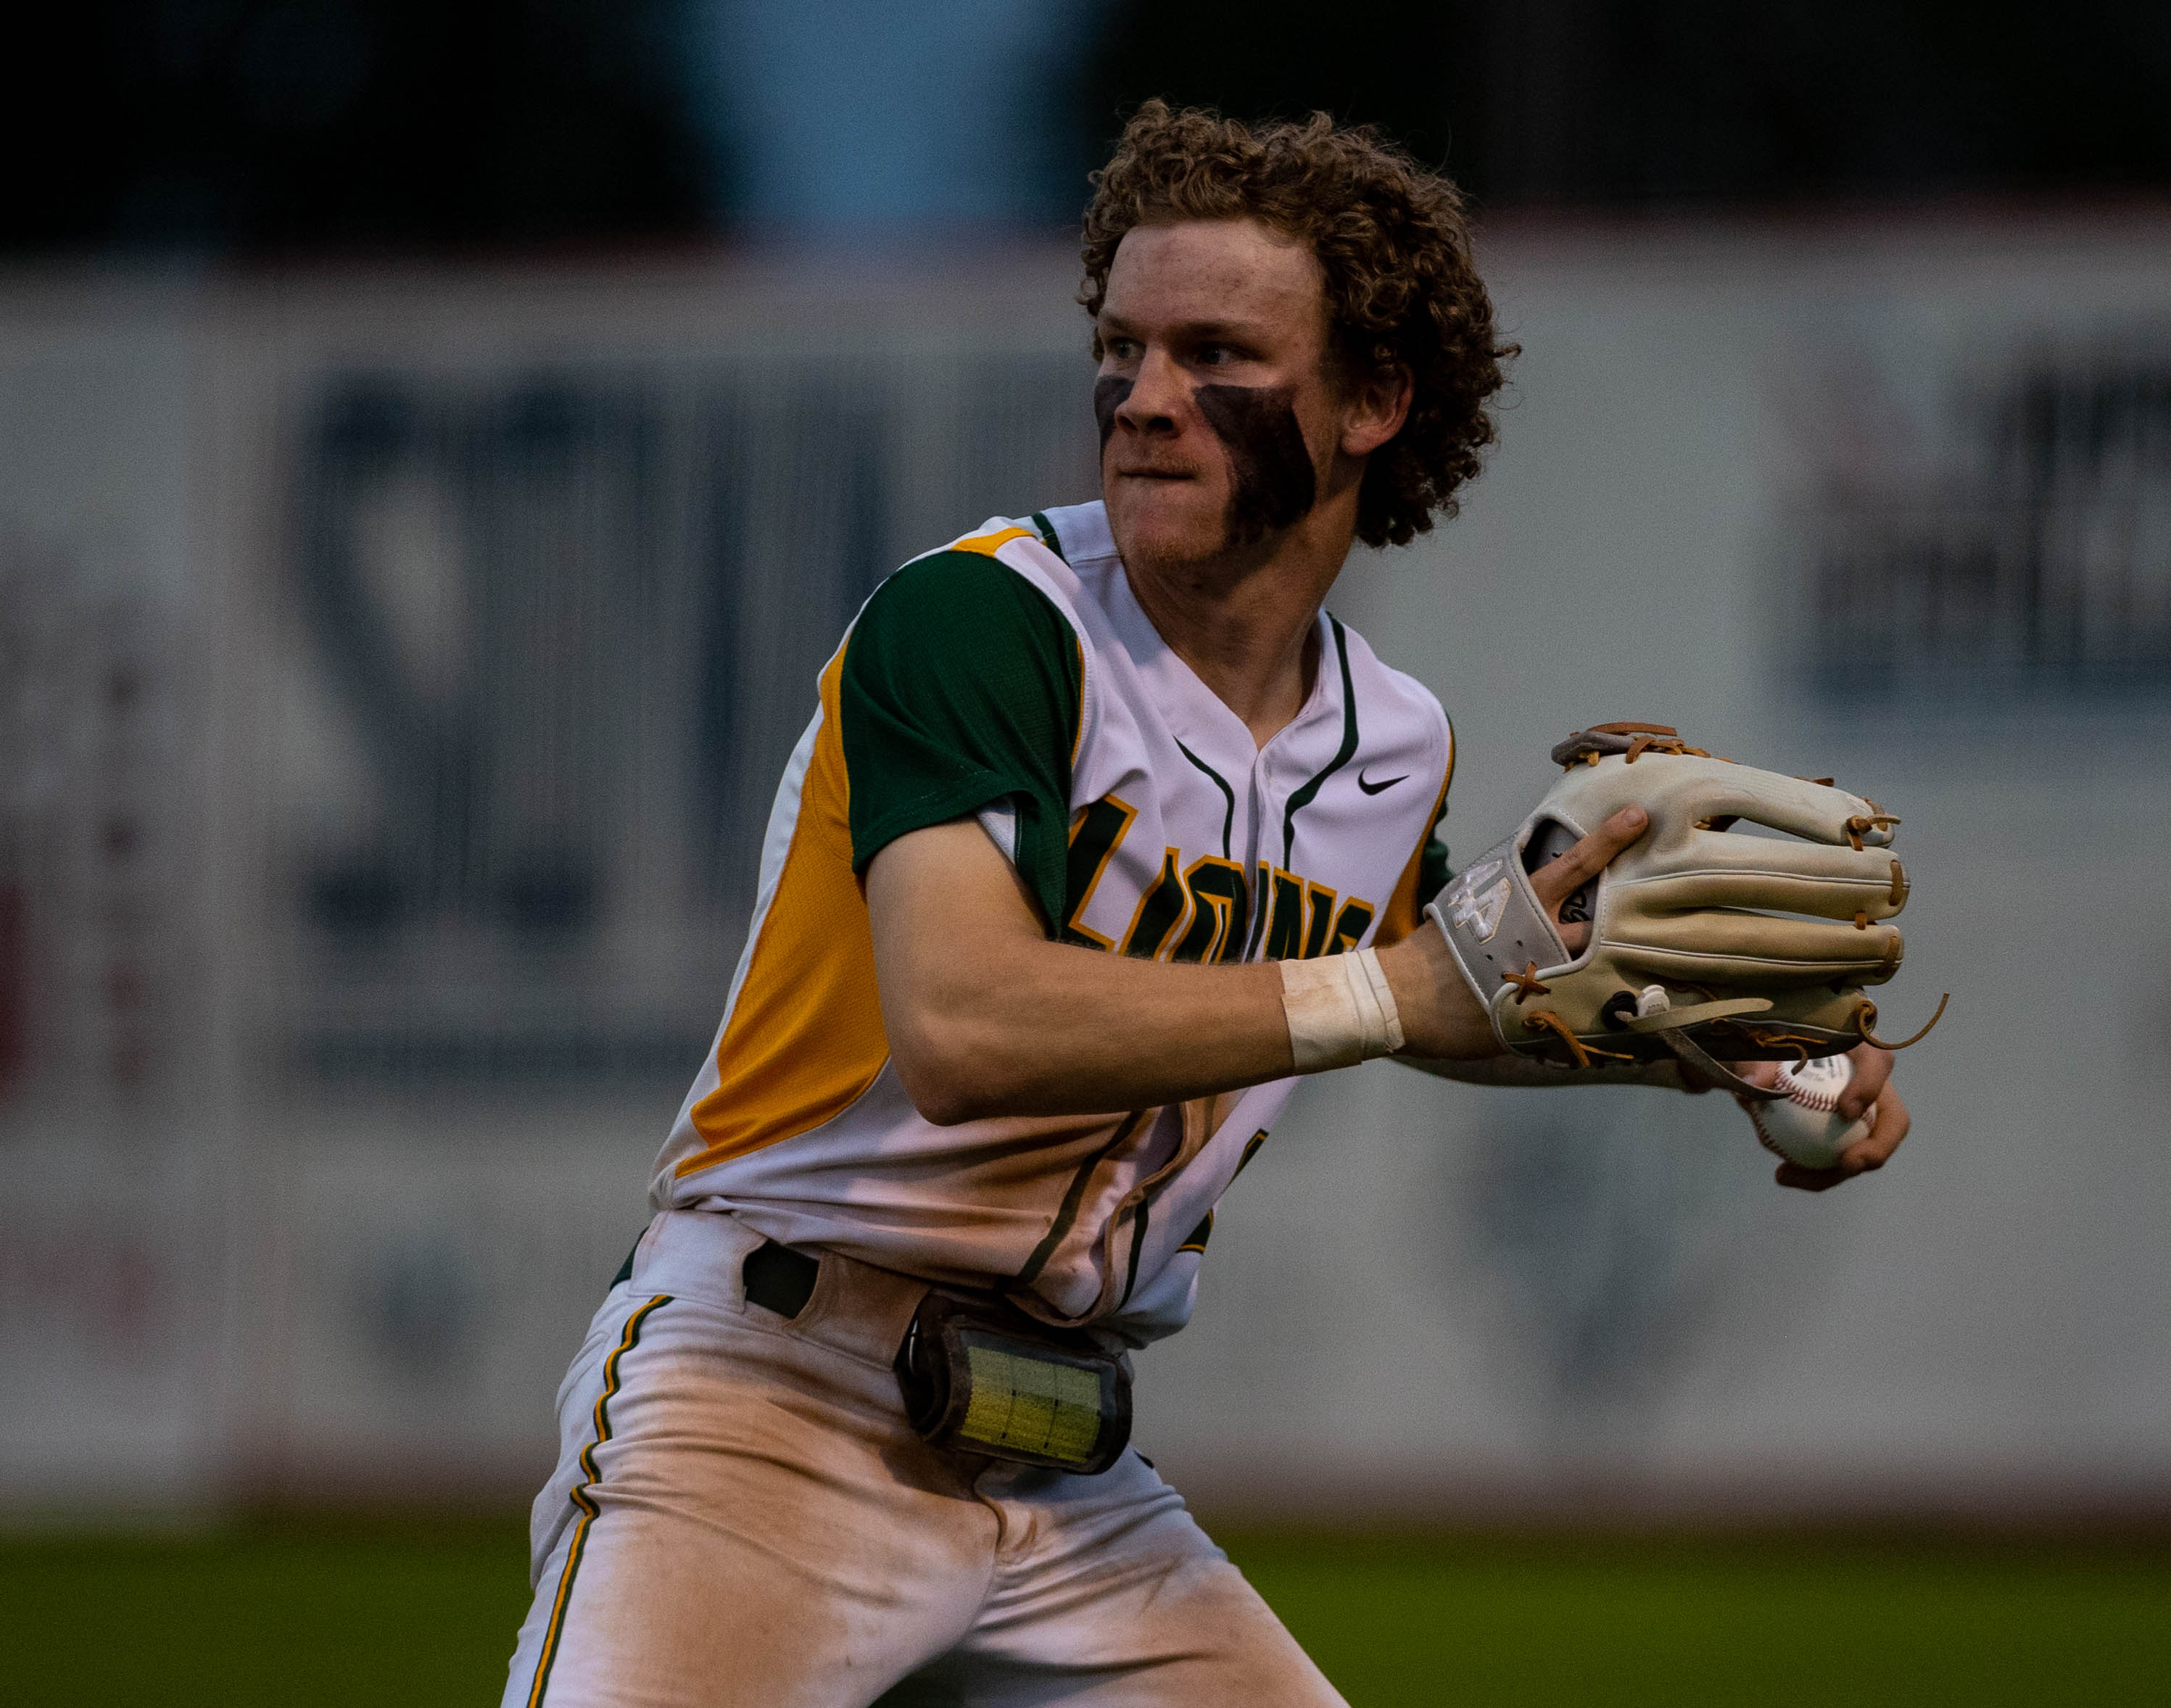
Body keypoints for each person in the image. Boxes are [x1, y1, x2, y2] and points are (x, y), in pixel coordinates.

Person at [500, 101, 1910, 1708]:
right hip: (768, 1404)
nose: (1144, 399)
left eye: (1217, 354)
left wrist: (1726, 1051)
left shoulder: (1391, 739)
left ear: (1375, 400)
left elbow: (1442, 991)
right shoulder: (982, 624)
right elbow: (963, 1024)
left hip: (1061, 1464)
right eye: (1122, 347)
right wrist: (1400, 990)